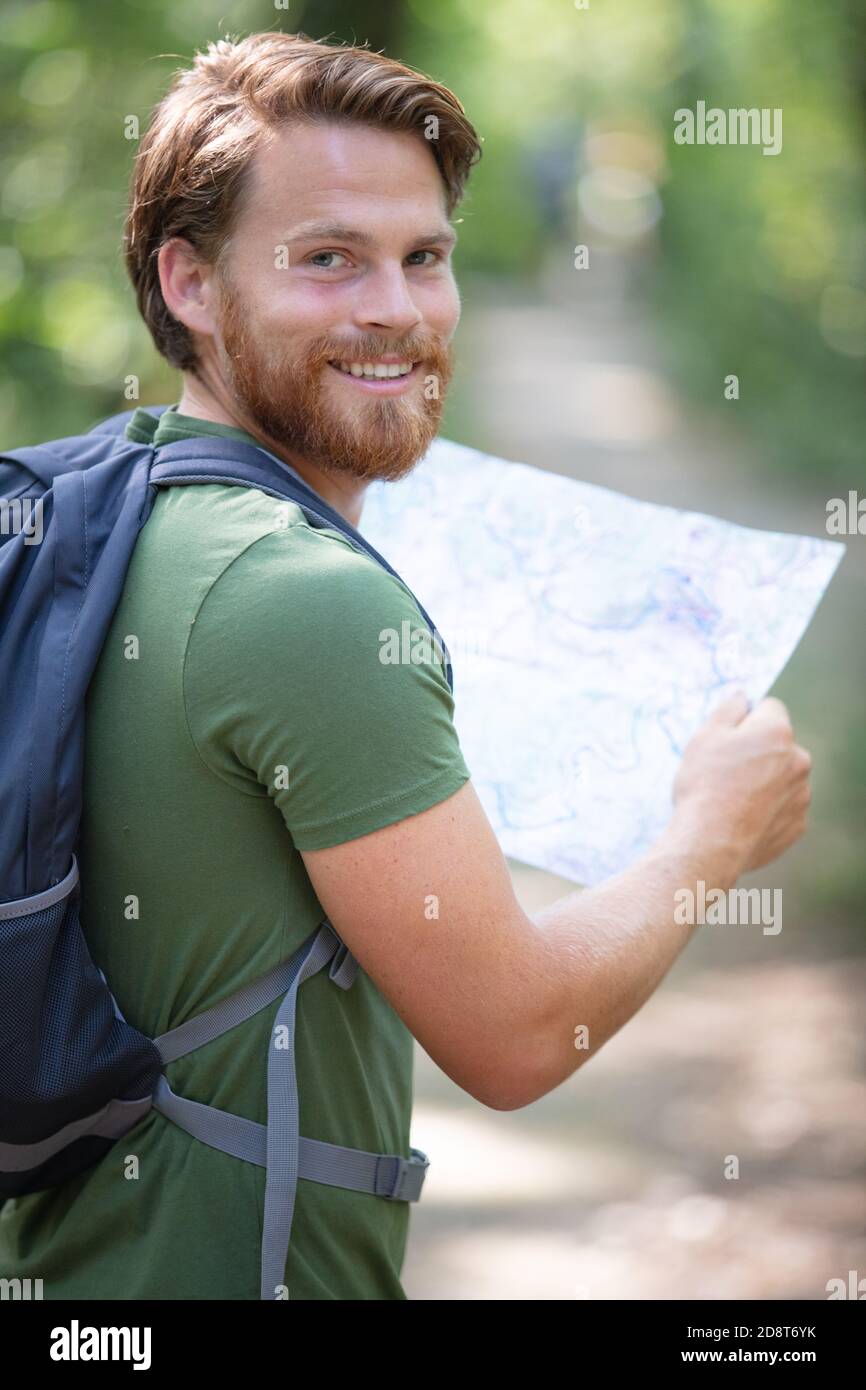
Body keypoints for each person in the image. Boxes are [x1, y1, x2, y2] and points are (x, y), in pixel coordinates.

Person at [0, 31, 812, 1301]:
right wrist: (707, 837)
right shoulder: (300, 601)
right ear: (191, 284)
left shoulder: (105, 507)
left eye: (422, 259)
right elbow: (516, 1036)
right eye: (326, 259)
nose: (395, 308)